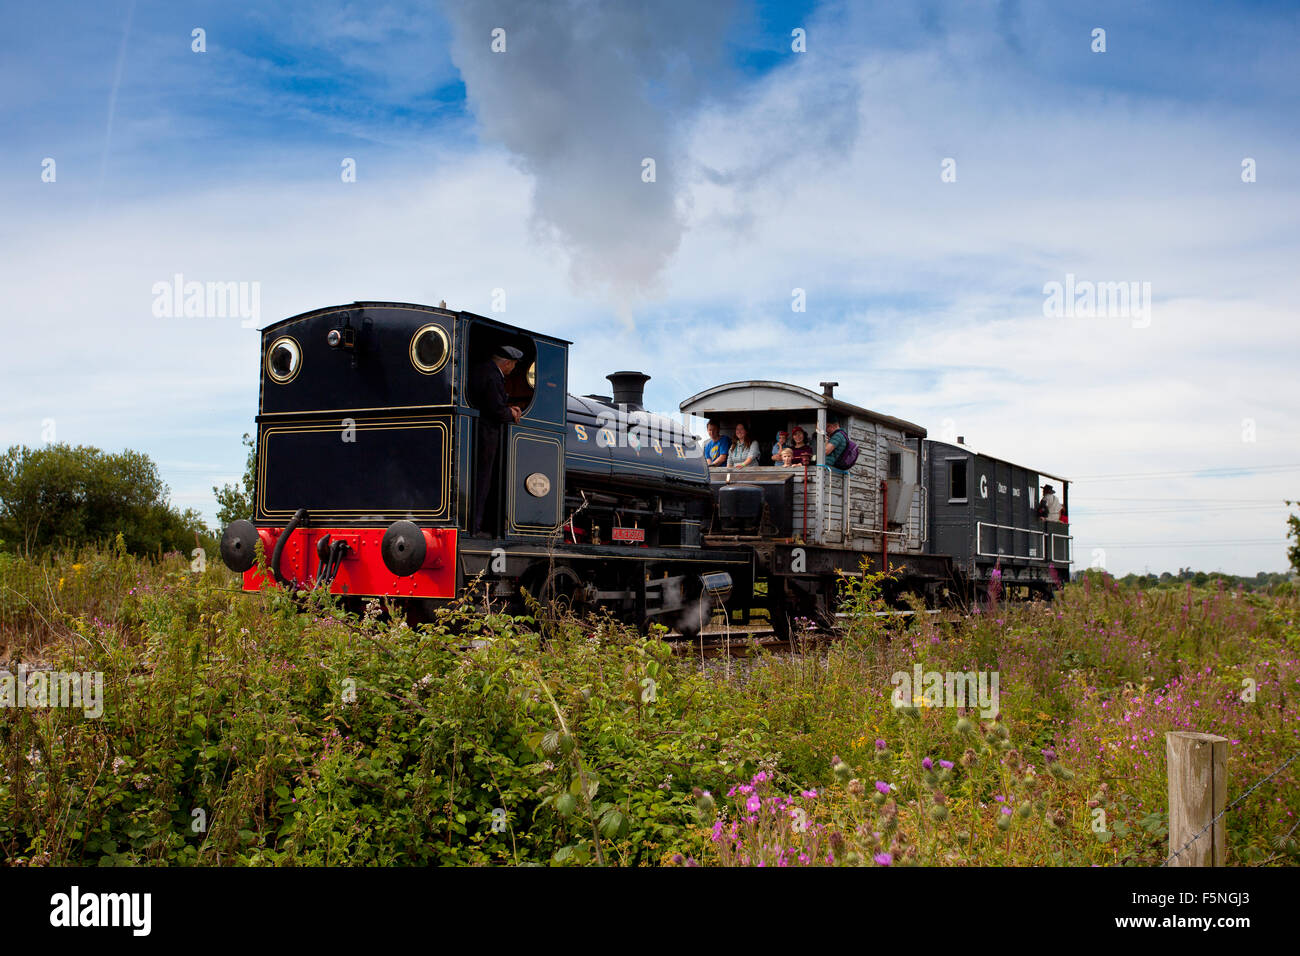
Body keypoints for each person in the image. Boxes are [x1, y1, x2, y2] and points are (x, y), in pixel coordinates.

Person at [468, 345, 523, 536]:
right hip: (485, 435)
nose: (512, 369)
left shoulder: (481, 370)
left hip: (478, 434)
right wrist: (510, 412)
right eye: (513, 365)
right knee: (482, 481)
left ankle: (476, 524)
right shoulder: (492, 375)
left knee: (480, 480)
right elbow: (495, 410)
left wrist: (507, 409)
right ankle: (475, 526)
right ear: (507, 363)